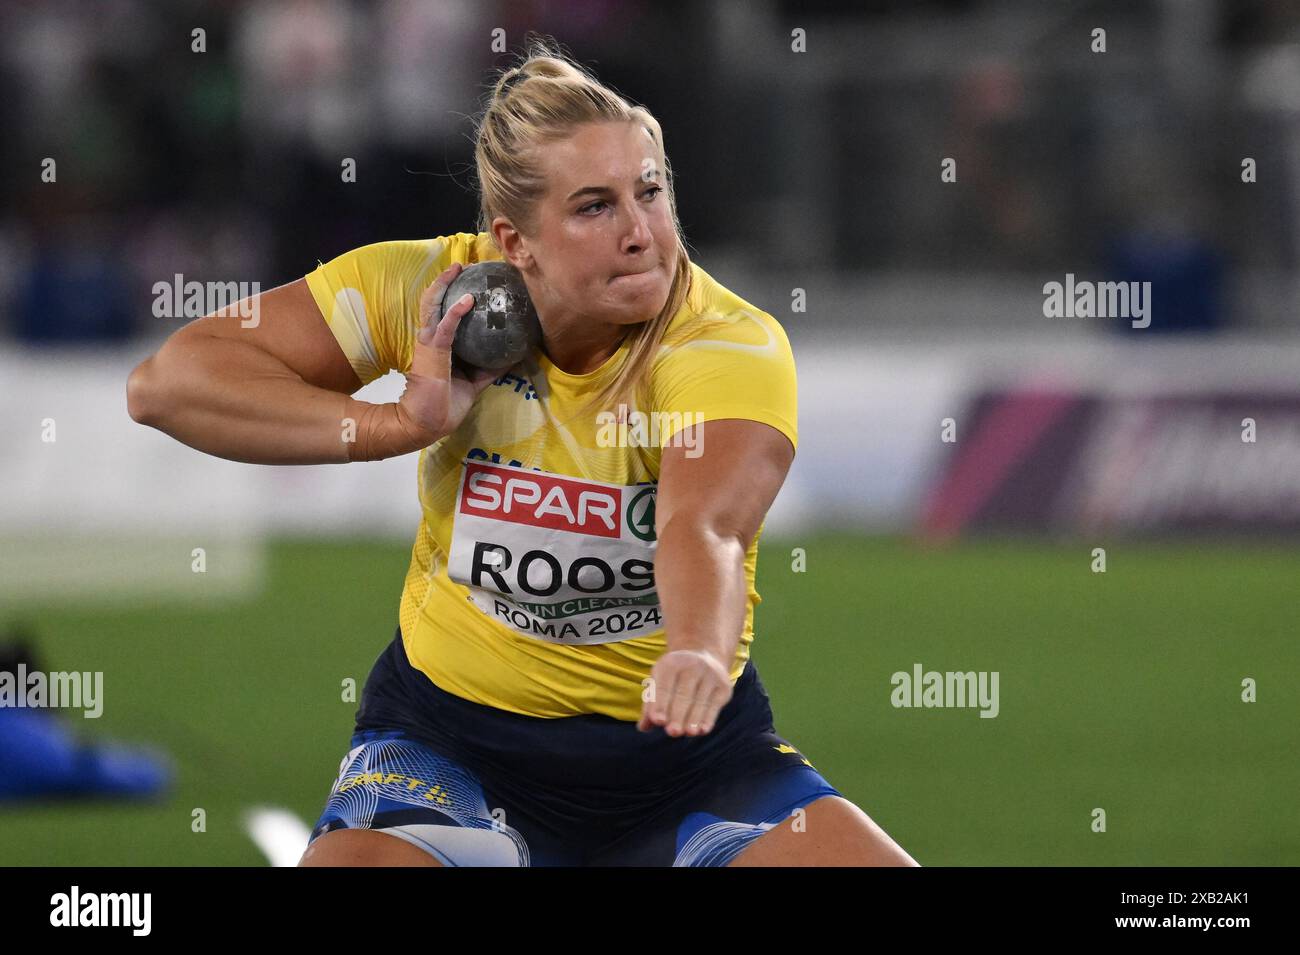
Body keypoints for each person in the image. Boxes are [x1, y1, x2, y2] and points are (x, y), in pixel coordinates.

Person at [126, 39, 918, 867]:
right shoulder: (429, 293)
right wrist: (399, 425)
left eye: (650, 192)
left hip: (688, 765)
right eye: (594, 207)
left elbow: (705, 527)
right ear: (515, 241)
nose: (642, 233)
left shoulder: (722, 345)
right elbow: (167, 385)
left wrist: (696, 648)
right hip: (451, 747)